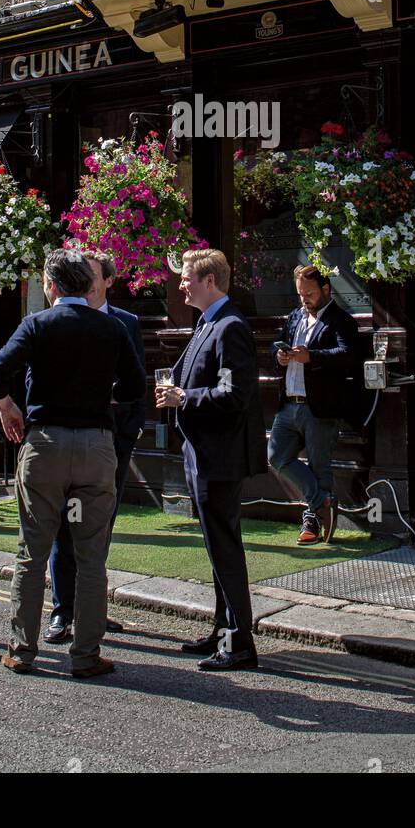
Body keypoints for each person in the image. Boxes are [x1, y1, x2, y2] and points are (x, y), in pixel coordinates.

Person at [0, 250, 146, 679]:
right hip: (96, 446)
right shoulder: (112, 327)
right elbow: (134, 386)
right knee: (92, 556)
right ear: (88, 285)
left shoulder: (37, 324)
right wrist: (97, 397)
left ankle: (22, 651)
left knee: (32, 552)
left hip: (46, 444)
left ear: (51, 285)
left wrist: (6, 406)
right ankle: (86, 655)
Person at [155, 249, 266, 672]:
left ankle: (240, 644)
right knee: (217, 546)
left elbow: (235, 395)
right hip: (201, 453)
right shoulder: (209, 324)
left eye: (187, 279)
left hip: (219, 457)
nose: (181, 284)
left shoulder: (230, 327)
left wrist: (184, 397)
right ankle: (224, 632)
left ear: (210, 282)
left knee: (225, 549)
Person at [45, 251, 146, 644]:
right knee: (62, 528)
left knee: (98, 528)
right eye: (79, 273)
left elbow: (137, 386)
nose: (84, 280)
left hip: (111, 444)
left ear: (106, 281)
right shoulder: (59, 321)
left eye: (91, 274)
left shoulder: (126, 323)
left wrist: (129, 434)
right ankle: (62, 610)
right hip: (65, 442)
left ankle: (91, 609)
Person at [268, 265, 360, 545]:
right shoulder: (296, 316)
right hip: (289, 402)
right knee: (276, 456)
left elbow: (348, 355)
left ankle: (314, 522)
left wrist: (313, 357)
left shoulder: (340, 319)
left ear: (325, 290)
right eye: (300, 294)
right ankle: (322, 503)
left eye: (309, 293)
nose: (304, 299)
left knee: (320, 467)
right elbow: (277, 346)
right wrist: (280, 357)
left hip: (320, 405)